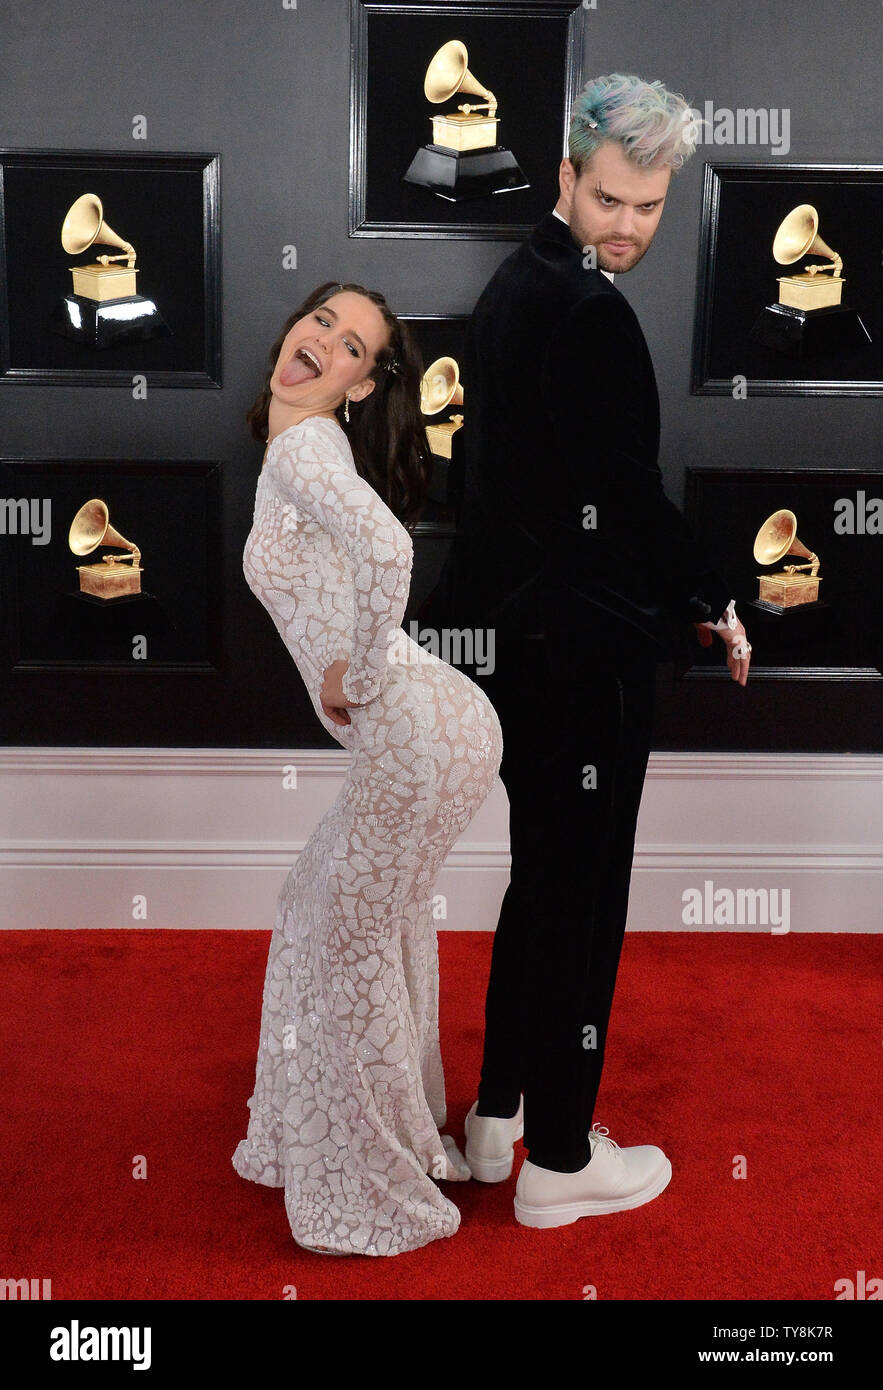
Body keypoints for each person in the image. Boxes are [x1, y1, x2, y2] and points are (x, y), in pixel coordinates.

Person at [419, 74, 752, 1229]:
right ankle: (560, 1162)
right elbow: (626, 499)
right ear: (563, 175)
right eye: (610, 197)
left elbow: (509, 490)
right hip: (583, 657)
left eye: (651, 206)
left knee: (542, 886)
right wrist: (710, 588)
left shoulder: (515, 287)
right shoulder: (587, 310)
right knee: (584, 901)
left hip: (516, 652)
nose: (627, 226)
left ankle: (496, 1118)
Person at [232, 281, 503, 1255]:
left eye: (349, 347)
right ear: (293, 324)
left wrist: (360, 655)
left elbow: (388, 548)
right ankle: (403, 1133)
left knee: (343, 939)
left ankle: (372, 1177)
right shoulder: (301, 447)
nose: (322, 344)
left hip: (412, 733)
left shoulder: (306, 446)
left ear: (357, 383)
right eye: (319, 321)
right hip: (440, 728)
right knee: (333, 910)